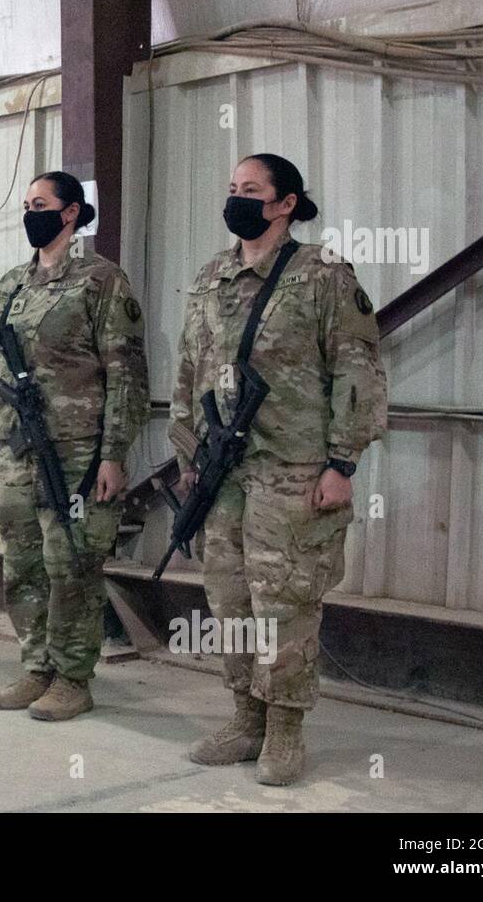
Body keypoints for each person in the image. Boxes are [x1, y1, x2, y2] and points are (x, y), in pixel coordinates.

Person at [170, 153, 387, 784]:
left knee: (285, 604)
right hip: (223, 472)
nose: (236, 199)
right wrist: (189, 453)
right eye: (231, 188)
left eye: (252, 190)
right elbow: (190, 366)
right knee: (230, 598)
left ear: (286, 202)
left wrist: (342, 461)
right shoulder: (211, 277)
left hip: (294, 468)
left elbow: (357, 368)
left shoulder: (323, 276)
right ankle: (245, 719)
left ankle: (285, 730)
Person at [0, 172, 149, 721]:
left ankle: (74, 677)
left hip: (77, 451)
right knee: (22, 564)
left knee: (72, 566)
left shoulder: (101, 280)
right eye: (27, 204)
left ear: (72, 213)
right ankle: (37, 667)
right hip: (17, 449)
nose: (31, 212)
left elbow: (125, 371)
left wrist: (113, 453)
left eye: (41, 203)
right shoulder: (11, 284)